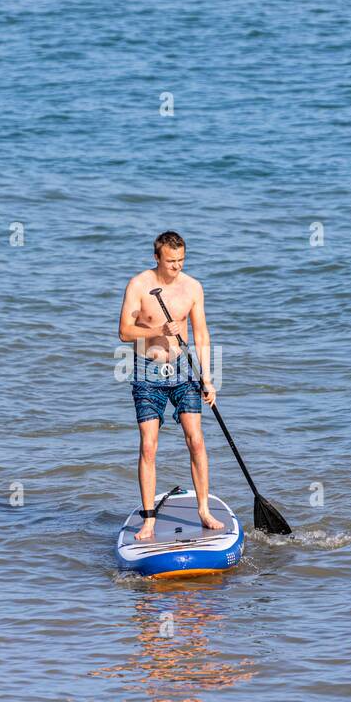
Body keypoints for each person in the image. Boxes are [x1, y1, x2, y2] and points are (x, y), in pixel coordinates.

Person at [117, 231, 221, 541]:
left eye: (181, 260)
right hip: (147, 371)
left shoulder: (192, 288)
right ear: (157, 258)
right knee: (149, 445)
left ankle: (203, 509)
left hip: (183, 370)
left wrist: (207, 377)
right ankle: (148, 519)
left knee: (196, 440)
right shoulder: (139, 285)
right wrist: (159, 329)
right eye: (170, 261)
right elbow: (123, 331)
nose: (176, 266)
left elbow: (201, 335)